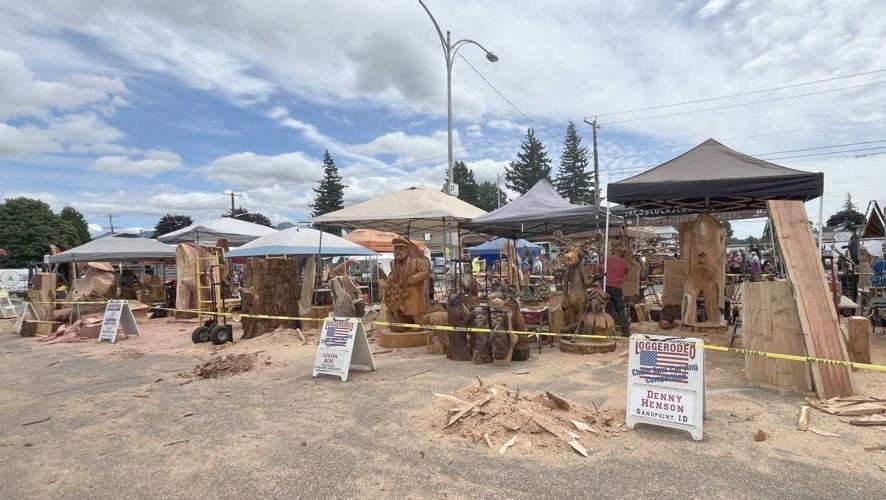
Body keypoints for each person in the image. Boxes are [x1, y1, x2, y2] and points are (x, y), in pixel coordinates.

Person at [605, 250, 631, 337]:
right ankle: (626, 331)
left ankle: (606, 329)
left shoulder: (607, 258)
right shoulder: (625, 263)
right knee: (620, 310)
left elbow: (599, 269)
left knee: (606, 309)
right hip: (616, 288)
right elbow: (626, 277)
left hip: (606, 287)